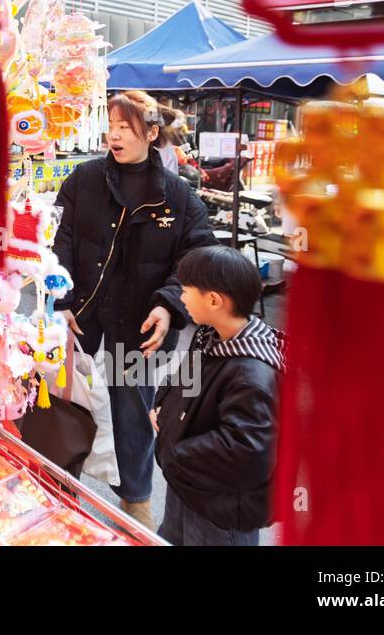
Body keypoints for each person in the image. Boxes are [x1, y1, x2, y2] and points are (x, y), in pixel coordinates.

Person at [43, 89, 217, 529]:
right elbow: (57, 240)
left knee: (132, 412)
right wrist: (59, 299)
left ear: (151, 134)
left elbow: (196, 260)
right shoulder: (82, 180)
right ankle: (57, 489)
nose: (114, 135)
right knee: (67, 400)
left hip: (141, 323)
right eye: (112, 125)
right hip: (80, 315)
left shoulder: (179, 198)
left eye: (126, 127)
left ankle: (135, 506)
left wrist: (169, 305)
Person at [152, 245, 284, 545]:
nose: (181, 297)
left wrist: (175, 450)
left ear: (213, 300)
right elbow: (185, 377)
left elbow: (246, 452)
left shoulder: (251, 374)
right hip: (189, 484)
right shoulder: (211, 335)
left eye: (186, 291)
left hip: (221, 506)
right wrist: (162, 404)